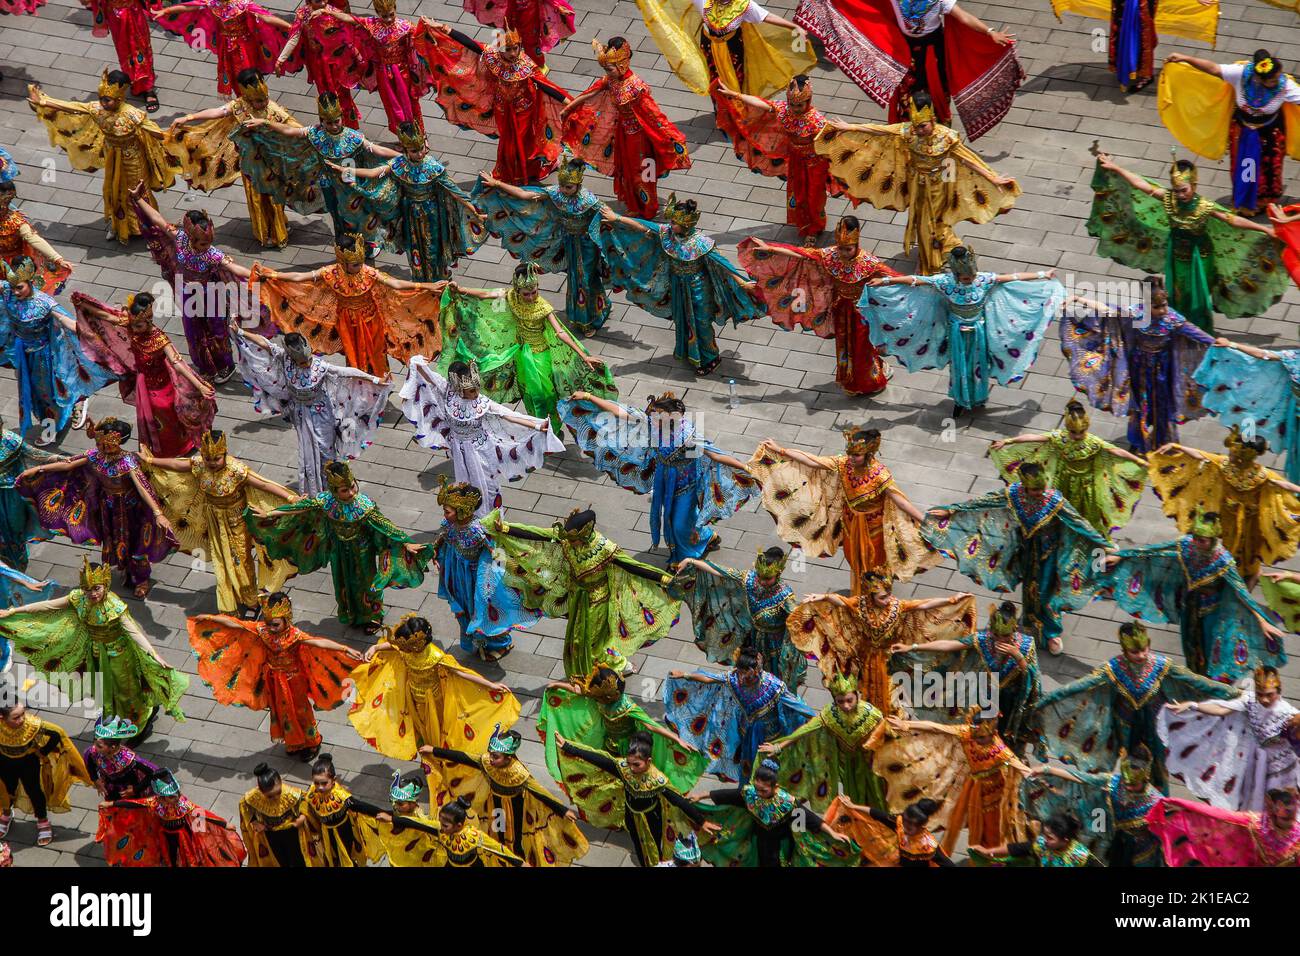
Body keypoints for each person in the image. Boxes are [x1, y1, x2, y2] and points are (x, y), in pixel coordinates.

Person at [814, 94, 1020, 274]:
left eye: (922, 126)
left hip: (940, 187)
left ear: (932, 119)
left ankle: (932, 261)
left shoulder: (947, 137)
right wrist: (850, 127)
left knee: (932, 221)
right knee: (923, 220)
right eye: (915, 125)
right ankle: (938, 252)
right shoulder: (907, 131)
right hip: (916, 185)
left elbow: (966, 159)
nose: (918, 130)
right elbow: (881, 131)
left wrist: (993, 178)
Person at [922, 461, 1110, 655]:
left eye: (1042, 489)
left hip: (1049, 553)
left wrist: (1104, 544)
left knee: (1045, 592)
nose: (1040, 494)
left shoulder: (1054, 500)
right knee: (1030, 589)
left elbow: (1078, 522)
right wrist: (953, 510)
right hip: (1023, 549)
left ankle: (1052, 632)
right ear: (1025, 486)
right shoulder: (1013, 494)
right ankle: (1030, 621)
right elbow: (984, 501)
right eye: (1035, 491)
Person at [1089, 150, 1286, 333]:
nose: (1180, 195)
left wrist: (1264, 229)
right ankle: (1177, 323)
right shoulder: (1169, 199)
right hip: (1176, 254)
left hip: (1199, 257)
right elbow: (1142, 185)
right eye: (1176, 190)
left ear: (1194, 185)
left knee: (1196, 297)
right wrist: (1115, 168)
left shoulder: (1204, 206)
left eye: (1183, 190)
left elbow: (1231, 219)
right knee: (1177, 292)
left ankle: (1198, 329)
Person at [1034, 621, 1241, 794]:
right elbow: (1078, 686)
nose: (1141, 655)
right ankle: (1134, 794)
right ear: (1124, 651)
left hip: (1157, 725)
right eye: (1134, 652)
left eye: (1143, 650)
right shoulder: (1113, 669)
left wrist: (1234, 694)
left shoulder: (1161, 665)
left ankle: (1161, 800)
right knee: (1131, 764)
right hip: (1126, 726)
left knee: (1159, 765)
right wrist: (1047, 700)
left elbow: (1197, 682)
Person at [560, 391, 758, 563]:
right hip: (663, 478)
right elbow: (619, 412)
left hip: (685, 483)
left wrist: (747, 468)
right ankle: (706, 536)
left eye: (659, 415)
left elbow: (715, 455)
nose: (653, 417)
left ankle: (686, 558)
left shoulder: (687, 437)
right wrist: (588, 397)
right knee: (671, 517)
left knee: (678, 523)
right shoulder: (651, 425)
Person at [863, 246, 1063, 416]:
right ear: (957, 275)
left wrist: (1042, 275)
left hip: (978, 332)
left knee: (978, 364)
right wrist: (885, 282)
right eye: (966, 278)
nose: (970, 280)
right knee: (959, 367)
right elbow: (915, 280)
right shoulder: (945, 282)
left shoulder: (983, 280)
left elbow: (1012, 277)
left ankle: (978, 396)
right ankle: (960, 400)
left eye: (972, 276)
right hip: (957, 333)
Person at [484, 507, 681, 677]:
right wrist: (507, 529)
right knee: (583, 638)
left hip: (598, 601)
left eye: (574, 540)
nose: (570, 543)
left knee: (588, 641)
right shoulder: (568, 539)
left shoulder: (605, 549)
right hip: (576, 597)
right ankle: (606, 664)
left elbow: (633, 566)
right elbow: (539, 535)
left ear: (585, 534)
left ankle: (613, 667)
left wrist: (666, 580)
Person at [0, 559, 188, 737]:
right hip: (95, 653)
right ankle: (119, 717)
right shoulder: (78, 598)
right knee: (106, 689)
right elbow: (49, 606)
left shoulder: (114, 606)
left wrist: (155, 655)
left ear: (105, 585)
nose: (93, 594)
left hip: (120, 656)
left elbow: (134, 632)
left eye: (96, 588)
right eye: (88, 589)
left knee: (125, 690)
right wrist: (14, 611)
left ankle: (140, 721)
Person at [1101, 509, 1286, 682]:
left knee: (1210, 649)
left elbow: (1241, 592)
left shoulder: (1223, 561)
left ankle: (1210, 684)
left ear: (1213, 539)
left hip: (1212, 612)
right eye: (1196, 538)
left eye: (1203, 540)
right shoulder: (1187, 544)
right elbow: (1153, 549)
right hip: (1189, 606)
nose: (1197, 543)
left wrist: (1262, 622)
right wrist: (1122, 556)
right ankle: (1195, 680)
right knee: (1190, 645)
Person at [245, 461, 432, 631]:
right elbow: (302, 507)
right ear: (334, 491)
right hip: (339, 551)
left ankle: (374, 617)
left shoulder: (363, 505)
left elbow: (385, 526)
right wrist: (270, 514)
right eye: (344, 490)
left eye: (352, 487)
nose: (351, 493)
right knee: (343, 582)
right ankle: (352, 613)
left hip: (362, 551)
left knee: (367, 584)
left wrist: (406, 542)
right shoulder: (325, 501)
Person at [794, 0, 1022, 138]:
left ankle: (939, 135)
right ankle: (903, 135)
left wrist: (989, 31)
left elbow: (963, 17)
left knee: (936, 93)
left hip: (932, 49)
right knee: (903, 93)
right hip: (904, 48)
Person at [749, 427, 935, 594]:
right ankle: (862, 592)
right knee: (854, 559)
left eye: (856, 456)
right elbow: (813, 461)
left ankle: (876, 596)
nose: (852, 459)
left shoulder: (880, 475)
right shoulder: (843, 463)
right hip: (851, 524)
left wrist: (925, 521)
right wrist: (780, 450)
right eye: (850, 454)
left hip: (874, 530)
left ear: (868, 454)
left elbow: (901, 502)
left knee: (873, 564)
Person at [599, 195, 764, 376]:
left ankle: (710, 357)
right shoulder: (668, 233)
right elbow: (645, 226)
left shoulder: (700, 243)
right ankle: (689, 351)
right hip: (677, 284)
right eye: (671, 221)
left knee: (701, 322)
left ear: (687, 224)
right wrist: (618, 219)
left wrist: (741, 282)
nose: (671, 225)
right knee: (682, 317)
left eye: (675, 222)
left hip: (698, 287)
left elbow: (721, 262)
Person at [438, 263, 615, 431]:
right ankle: (539, 425)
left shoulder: (543, 307)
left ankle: (553, 425)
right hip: (522, 353)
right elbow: (486, 295)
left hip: (541, 354)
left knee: (545, 393)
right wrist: (460, 290)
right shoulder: (511, 296)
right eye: (526, 294)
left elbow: (560, 333)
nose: (530, 297)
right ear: (517, 290)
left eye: (534, 292)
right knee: (530, 394)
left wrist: (584, 356)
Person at [139, 429, 297, 615]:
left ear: (225, 454)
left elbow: (263, 485)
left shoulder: (236, 470)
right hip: (213, 520)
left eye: (216, 459)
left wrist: (289, 498)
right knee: (221, 561)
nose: (212, 463)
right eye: (208, 458)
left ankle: (251, 600)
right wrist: (150, 461)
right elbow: (177, 464)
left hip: (237, 523)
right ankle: (229, 601)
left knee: (240, 562)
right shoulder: (199, 465)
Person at [18, 417, 178, 598]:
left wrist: (157, 514)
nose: (101, 447)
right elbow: (68, 463)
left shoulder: (128, 462)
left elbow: (142, 488)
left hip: (131, 510)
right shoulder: (95, 456)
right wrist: (39, 469)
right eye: (99, 443)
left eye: (104, 444)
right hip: (107, 509)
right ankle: (125, 567)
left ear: (117, 442)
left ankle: (141, 579)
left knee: (136, 543)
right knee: (115, 540)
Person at [188, 592, 361, 758]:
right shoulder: (262, 630)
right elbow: (237, 624)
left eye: (275, 624)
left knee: (300, 711)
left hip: (294, 680)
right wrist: (211, 618)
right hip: (274, 680)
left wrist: (346, 649)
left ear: (287, 619)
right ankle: (293, 742)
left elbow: (319, 642)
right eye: (268, 622)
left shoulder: (295, 636)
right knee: (281, 711)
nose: (271, 627)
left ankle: (312, 742)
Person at [251, 232, 444, 380]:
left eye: (360, 262)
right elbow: (300, 277)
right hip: (346, 322)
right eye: (354, 264)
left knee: (377, 353)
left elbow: (396, 284)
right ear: (343, 262)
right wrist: (273, 275)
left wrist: (428, 286)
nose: (359, 266)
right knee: (353, 355)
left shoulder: (368, 273)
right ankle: (359, 383)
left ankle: (381, 382)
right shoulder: (330, 273)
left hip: (371, 320)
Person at [740, 218, 899, 396]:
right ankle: (852, 377)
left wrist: (922, 283)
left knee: (861, 347)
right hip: (840, 309)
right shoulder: (831, 255)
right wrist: (770, 248)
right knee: (845, 346)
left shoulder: (869, 263)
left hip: (862, 314)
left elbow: (893, 277)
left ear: (856, 244)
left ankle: (871, 381)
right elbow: (802, 254)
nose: (844, 253)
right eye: (841, 248)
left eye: (848, 249)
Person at [347, 614, 519, 773]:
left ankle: (438, 760)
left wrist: (490, 685)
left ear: (417, 643)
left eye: (406, 646)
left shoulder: (435, 656)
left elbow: (460, 672)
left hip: (434, 701)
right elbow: (393, 645)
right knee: (419, 728)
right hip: (412, 697)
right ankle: (428, 756)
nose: (403, 649)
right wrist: (376, 647)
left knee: (435, 730)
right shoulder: (406, 648)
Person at [231, 326, 391, 496]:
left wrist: (375, 379)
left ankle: (333, 484)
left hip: (322, 414)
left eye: (307, 359)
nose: (307, 364)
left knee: (325, 449)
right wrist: (240, 332)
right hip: (300, 414)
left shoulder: (319, 366)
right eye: (302, 362)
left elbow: (346, 372)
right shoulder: (284, 358)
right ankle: (315, 487)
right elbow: (263, 343)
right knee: (307, 452)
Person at [1062, 277, 1215, 454]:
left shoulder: (1172, 318)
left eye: (1164, 305)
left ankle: (1163, 440)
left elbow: (1198, 335)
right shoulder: (1137, 314)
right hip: (1137, 367)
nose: (1163, 310)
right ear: (1147, 304)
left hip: (1163, 371)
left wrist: (1221, 344)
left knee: (1161, 404)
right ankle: (1138, 439)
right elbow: (1107, 310)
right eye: (1157, 307)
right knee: (1139, 403)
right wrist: (1079, 300)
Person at [793, 572, 975, 715]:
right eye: (882, 597)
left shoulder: (897, 606)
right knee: (864, 687)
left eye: (888, 595)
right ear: (871, 596)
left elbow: (923, 604)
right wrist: (822, 597)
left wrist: (951, 600)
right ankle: (864, 709)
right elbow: (841, 601)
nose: (887, 600)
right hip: (864, 657)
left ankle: (890, 714)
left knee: (890, 691)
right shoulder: (860, 604)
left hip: (888, 658)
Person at [26, 72, 176, 244]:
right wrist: (44, 102)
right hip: (111, 155)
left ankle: (151, 228)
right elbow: (72, 106)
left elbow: (156, 132)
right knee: (114, 190)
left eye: (108, 100)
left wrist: (178, 139)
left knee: (139, 193)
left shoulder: (133, 114)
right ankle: (120, 225)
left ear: (119, 99)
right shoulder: (97, 108)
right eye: (102, 98)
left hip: (133, 157)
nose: (103, 103)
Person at [326, 121, 484, 283]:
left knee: (434, 249)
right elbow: (374, 173)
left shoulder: (433, 167)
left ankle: (439, 280)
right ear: (405, 149)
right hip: (411, 214)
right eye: (415, 151)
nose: (420, 153)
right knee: (415, 248)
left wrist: (474, 210)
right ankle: (420, 280)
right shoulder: (399, 164)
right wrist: (348, 170)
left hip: (433, 215)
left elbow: (455, 192)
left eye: (422, 148)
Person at [400, 358, 561, 517]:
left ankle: (491, 518)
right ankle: (469, 516)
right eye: (472, 391)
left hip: (481, 449)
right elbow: (429, 376)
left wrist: (537, 426)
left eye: (477, 388)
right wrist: (415, 361)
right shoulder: (448, 392)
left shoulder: (481, 402)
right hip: (459, 448)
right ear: (459, 389)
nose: (477, 393)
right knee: (465, 484)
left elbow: (507, 415)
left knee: (488, 484)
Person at [129, 188, 258, 385]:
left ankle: (225, 366)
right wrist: (139, 199)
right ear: (190, 236)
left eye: (208, 242)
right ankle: (205, 366)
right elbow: (157, 219)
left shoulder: (212, 254)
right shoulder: (180, 239)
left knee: (217, 332)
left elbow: (236, 269)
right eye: (202, 243)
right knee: (192, 332)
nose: (206, 246)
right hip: (187, 294)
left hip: (210, 295)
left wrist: (262, 275)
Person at [475, 156, 614, 335]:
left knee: (584, 278)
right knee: (576, 277)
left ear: (578, 185)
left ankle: (588, 320)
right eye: (562, 186)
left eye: (568, 187)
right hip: (568, 241)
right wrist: (497, 184)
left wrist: (616, 220)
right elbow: (525, 195)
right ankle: (596, 309)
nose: (563, 190)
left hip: (587, 244)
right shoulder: (556, 193)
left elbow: (606, 213)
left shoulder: (588, 200)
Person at [421, 21, 570, 185]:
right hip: (501, 109)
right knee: (507, 142)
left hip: (523, 111)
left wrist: (568, 102)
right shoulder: (492, 57)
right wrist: (446, 30)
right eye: (508, 49)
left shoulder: (526, 65)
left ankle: (526, 172)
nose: (513, 53)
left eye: (516, 48)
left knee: (522, 143)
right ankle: (512, 172)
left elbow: (545, 86)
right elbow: (470, 44)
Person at [71, 291, 216, 459]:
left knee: (168, 413)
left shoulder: (160, 339)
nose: (134, 329)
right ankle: (157, 449)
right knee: (150, 419)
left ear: (148, 322)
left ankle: (180, 447)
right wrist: (82, 304)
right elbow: (108, 317)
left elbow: (178, 364)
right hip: (143, 383)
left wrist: (199, 386)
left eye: (138, 326)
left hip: (163, 385)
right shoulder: (132, 325)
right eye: (132, 325)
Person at [163, 69, 299, 248]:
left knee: (274, 199)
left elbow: (296, 129)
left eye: (265, 98)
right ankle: (264, 232)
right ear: (247, 97)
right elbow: (219, 112)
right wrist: (190, 117)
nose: (263, 103)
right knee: (256, 198)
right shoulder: (241, 106)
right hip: (250, 164)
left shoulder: (274, 111)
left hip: (272, 166)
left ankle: (279, 229)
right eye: (258, 101)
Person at [537, 656, 708, 798]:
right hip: (609, 741)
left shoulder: (627, 707)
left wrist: (678, 740)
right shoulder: (600, 697)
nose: (596, 698)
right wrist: (557, 685)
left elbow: (652, 725)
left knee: (629, 774)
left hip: (629, 746)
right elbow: (581, 692)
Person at [234, 92, 395, 242]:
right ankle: (343, 242)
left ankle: (365, 242)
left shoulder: (352, 136)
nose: (333, 126)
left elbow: (375, 149)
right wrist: (265, 122)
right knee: (336, 214)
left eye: (336, 121)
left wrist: (400, 156)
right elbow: (290, 131)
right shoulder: (315, 133)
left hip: (350, 182)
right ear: (321, 120)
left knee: (357, 214)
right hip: (327, 184)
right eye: (328, 122)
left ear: (342, 118)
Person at [1148, 429, 1300, 587]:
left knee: (1250, 547)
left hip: (1251, 520)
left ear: (1244, 457)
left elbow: (1285, 485)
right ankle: (1229, 569)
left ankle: (1252, 573)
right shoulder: (1225, 464)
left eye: (1235, 453)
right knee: (1228, 543)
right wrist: (1177, 447)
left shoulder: (1262, 474)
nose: (1231, 455)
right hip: (1229, 517)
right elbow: (1200, 455)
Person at [560, 38, 690, 221]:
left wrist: (672, 136)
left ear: (621, 64)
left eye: (609, 69)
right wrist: (568, 108)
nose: (607, 73)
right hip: (623, 134)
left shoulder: (635, 88)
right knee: (627, 171)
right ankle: (635, 205)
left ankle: (649, 207)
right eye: (606, 69)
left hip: (642, 139)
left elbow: (654, 115)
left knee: (644, 173)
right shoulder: (611, 80)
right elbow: (591, 93)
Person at [423, 724, 589, 867]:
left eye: (496, 756)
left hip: (515, 807)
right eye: (491, 754)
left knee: (515, 837)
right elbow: (464, 757)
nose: (491, 759)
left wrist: (562, 810)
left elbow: (539, 790)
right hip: (494, 804)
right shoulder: (487, 762)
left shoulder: (518, 772)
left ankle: (517, 860)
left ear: (508, 757)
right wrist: (435, 751)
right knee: (496, 832)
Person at [1160, 49, 1300, 216]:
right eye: (1272, 80)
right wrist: (1184, 58)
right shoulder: (1240, 74)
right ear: (1257, 77)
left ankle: (1261, 201)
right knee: (1244, 167)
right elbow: (1213, 69)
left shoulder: (1284, 86)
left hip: (1268, 136)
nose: (1277, 81)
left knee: (1266, 171)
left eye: (1278, 76)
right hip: (1242, 133)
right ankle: (1244, 199)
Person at [873, 711, 1031, 857]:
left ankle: (993, 855)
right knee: (974, 824)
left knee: (993, 827)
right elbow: (937, 728)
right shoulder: (967, 732)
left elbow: (1015, 763)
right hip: (974, 789)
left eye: (982, 738)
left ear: (993, 734)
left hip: (996, 793)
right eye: (976, 736)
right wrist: (907, 725)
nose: (977, 740)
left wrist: (1033, 773)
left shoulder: (998, 748)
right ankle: (983, 853)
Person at [896, 600, 1042, 755]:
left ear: (1013, 631)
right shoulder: (983, 640)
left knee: (1008, 735)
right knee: (980, 732)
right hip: (985, 696)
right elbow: (950, 645)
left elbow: (1033, 678)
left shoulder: (1026, 646)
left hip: (1011, 699)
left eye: (1005, 636)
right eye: (996, 635)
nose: (1000, 640)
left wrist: (1017, 656)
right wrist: (913, 647)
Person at [989, 399, 1148, 538]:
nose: (1078, 436)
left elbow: (1116, 451)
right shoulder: (1060, 438)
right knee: (1059, 508)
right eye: (1073, 432)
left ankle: (1087, 535)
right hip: (1063, 481)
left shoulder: (1094, 442)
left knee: (1087, 512)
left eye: (1081, 432)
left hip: (1087, 486)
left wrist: (1140, 462)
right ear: (1067, 428)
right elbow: (1034, 437)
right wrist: (1009, 441)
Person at [556, 729, 709, 866]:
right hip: (631, 814)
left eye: (637, 764)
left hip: (652, 818)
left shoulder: (657, 780)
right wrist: (568, 748)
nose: (631, 769)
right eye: (629, 763)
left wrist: (701, 821)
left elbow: (678, 800)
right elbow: (601, 760)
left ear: (648, 761)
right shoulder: (624, 768)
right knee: (637, 842)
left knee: (654, 844)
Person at [715, 75, 842, 239]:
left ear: (808, 101)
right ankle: (804, 225)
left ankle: (815, 229)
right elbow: (763, 104)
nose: (795, 108)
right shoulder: (785, 111)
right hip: (796, 160)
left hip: (815, 165)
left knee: (814, 197)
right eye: (792, 104)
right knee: (798, 194)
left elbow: (833, 143)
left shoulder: (816, 121)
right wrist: (736, 95)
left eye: (799, 104)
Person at [427, 479, 542, 660]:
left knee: (483, 609)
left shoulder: (477, 531)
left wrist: (512, 575)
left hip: (476, 578)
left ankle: (500, 644)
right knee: (463, 610)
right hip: (457, 575)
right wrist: (434, 549)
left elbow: (496, 551)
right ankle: (478, 641)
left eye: (447, 511)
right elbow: (444, 537)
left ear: (463, 510)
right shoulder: (449, 524)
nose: (444, 514)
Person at [1160, 666, 1300, 812]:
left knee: (1282, 808)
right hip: (1257, 768)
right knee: (1255, 809)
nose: (1264, 699)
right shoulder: (1250, 701)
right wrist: (1193, 705)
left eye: (1269, 695)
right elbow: (1222, 709)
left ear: (1279, 692)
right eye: (1260, 694)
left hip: (1283, 771)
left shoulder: (1289, 714)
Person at [665, 646, 814, 782]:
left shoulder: (773, 686)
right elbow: (711, 678)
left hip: (770, 737)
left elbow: (800, 708)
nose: (741, 677)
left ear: (756, 670)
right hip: (746, 732)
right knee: (748, 767)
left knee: (769, 770)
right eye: (740, 672)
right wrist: (685, 675)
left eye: (745, 673)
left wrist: (780, 745)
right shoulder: (735, 679)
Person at [0, 257, 111, 440]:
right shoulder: (7, 291)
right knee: (30, 390)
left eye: (19, 287)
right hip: (20, 351)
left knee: (45, 392)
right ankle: (70, 404)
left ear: (29, 282)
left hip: (42, 355)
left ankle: (54, 426)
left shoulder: (44, 303)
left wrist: (91, 335)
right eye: (13, 287)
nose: (15, 291)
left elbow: (66, 321)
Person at [671, 547, 805, 689]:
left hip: (775, 645)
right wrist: (691, 561)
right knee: (751, 671)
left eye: (767, 579)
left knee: (776, 679)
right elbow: (721, 572)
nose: (762, 582)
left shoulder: (784, 595)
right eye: (760, 576)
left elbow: (799, 617)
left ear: (778, 574)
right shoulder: (750, 579)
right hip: (754, 637)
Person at [634, 0, 816, 102]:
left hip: (732, 48)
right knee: (716, 83)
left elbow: (766, 17)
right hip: (709, 46)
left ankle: (739, 109)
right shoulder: (705, 1)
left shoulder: (744, 5)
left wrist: (794, 27)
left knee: (737, 80)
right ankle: (722, 114)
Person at [759, 673, 888, 813]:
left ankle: (881, 821)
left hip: (871, 763)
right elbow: (807, 729)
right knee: (853, 795)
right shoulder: (830, 714)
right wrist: (779, 746)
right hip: (847, 766)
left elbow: (889, 732)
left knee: (877, 795)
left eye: (850, 700)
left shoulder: (872, 713)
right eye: (840, 701)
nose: (846, 706)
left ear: (857, 696)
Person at [693, 758, 858, 867]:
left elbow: (810, 820)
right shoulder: (750, 794)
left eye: (763, 791)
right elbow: (728, 796)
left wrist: (832, 834)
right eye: (757, 788)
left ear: (775, 787)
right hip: (758, 842)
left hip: (781, 846)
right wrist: (701, 795)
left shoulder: (787, 803)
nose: (758, 793)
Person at [1021, 746, 1164, 866]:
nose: (1128, 788)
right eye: (1125, 784)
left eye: (1133, 785)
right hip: (1116, 842)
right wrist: (1047, 770)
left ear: (1145, 777)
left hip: (1143, 850)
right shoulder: (1114, 782)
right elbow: (1082, 778)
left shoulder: (1157, 801)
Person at [310, 0, 434, 135]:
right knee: (391, 106)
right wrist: (326, 11)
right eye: (384, 15)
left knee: (410, 103)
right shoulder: (373, 24)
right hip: (383, 74)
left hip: (402, 73)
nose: (388, 19)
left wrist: (431, 27)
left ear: (395, 9)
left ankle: (420, 135)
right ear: (377, 13)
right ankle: (403, 137)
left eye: (391, 14)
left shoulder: (405, 26)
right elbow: (350, 18)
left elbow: (422, 38)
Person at [1197, 337, 1300, 484]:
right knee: (1296, 451)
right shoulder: (1293, 357)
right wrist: (1231, 344)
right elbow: (1262, 354)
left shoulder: (1293, 356)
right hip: (1293, 414)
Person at [1054, 0, 1218, 92]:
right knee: (1120, 32)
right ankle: (1124, 65)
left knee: (1142, 38)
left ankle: (1145, 74)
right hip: (1122, 3)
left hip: (1141, 5)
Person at [0, 684, 91, 847]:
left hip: (28, 764)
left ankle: (42, 821)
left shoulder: (33, 725)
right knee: (7, 790)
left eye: (23, 714)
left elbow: (57, 734)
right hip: (4, 764)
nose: (22, 719)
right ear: (1, 718)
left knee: (34, 791)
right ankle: (6, 814)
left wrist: (43, 751)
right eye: (16, 717)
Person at [97, 768, 247, 866]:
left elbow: (203, 814)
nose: (175, 798)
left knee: (189, 855)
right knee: (169, 856)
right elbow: (135, 804)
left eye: (176, 795)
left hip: (183, 834)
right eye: (170, 797)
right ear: (161, 797)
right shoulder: (155, 803)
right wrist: (112, 804)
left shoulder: (183, 804)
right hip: (164, 834)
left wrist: (223, 824)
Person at [152, 0, 293, 96]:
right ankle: (242, 99)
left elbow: (266, 18)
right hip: (225, 47)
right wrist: (167, 11)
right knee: (233, 74)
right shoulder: (212, 3)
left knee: (249, 75)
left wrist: (290, 28)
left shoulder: (243, 4)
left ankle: (257, 98)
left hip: (245, 46)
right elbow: (190, 6)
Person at [1148, 785, 1300, 866]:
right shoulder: (1254, 825)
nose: (1287, 820)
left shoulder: (1297, 838)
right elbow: (1216, 815)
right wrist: (1184, 809)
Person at [275, 0, 362, 129]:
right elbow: (294, 37)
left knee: (342, 95)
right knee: (324, 96)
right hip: (317, 64)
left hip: (336, 63)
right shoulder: (303, 14)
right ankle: (329, 126)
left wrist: (357, 55)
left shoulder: (334, 12)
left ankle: (349, 128)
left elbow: (348, 33)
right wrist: (281, 60)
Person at [0, 413, 61, 571]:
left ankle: (18, 565)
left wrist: (62, 460)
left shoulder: (12, 441)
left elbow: (35, 454)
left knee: (15, 528)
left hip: (12, 496)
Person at [823, 795, 954, 866]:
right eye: (905, 820)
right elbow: (878, 814)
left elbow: (947, 864)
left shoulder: (927, 846)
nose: (905, 826)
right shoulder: (901, 824)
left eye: (911, 825)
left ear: (923, 825)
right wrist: (853, 806)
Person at [302, 753, 383, 867]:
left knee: (347, 853)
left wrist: (386, 814)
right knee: (334, 856)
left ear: (334, 780)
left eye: (324, 783)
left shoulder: (342, 797)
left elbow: (362, 806)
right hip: (326, 833)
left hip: (344, 830)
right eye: (316, 783)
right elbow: (306, 808)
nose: (320, 787)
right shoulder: (312, 794)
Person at [83, 0, 162, 112]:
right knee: (123, 51)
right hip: (114, 14)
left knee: (142, 48)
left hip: (133, 10)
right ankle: (134, 80)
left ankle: (148, 87)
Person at [0, 177, 72, 294]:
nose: (4, 204)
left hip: (13, 266)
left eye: (8, 200)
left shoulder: (16, 222)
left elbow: (33, 238)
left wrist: (57, 258)